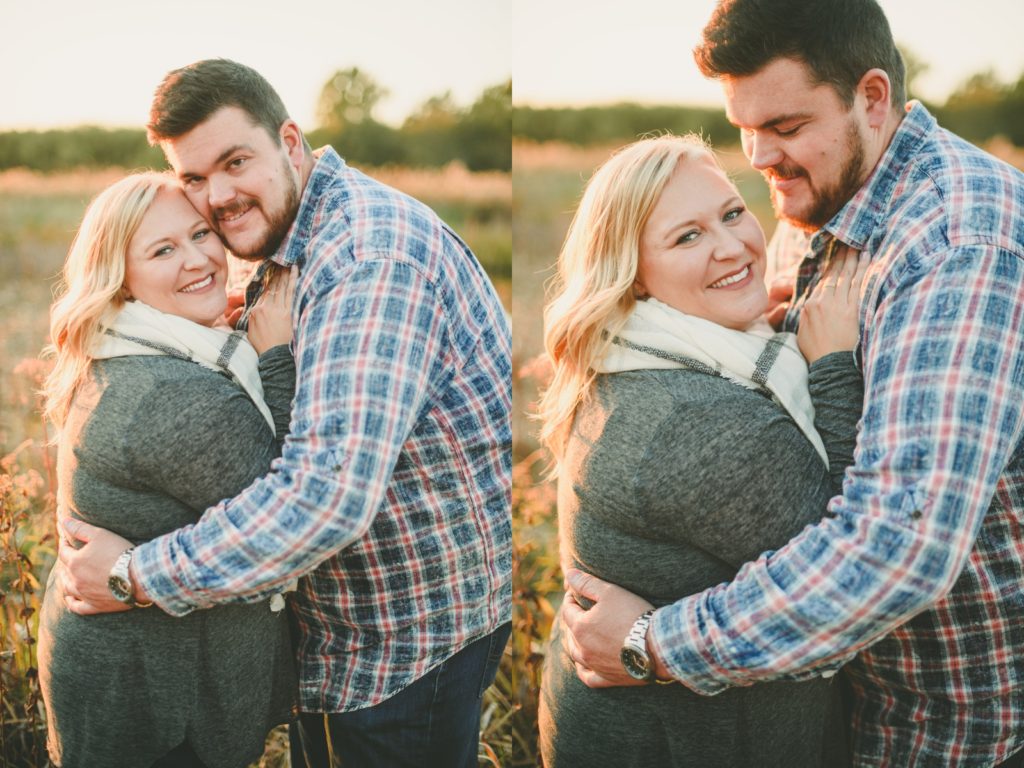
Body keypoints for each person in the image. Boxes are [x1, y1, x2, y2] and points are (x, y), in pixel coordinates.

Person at [561, 1, 1024, 766]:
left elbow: (895, 548)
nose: (761, 156)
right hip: (845, 702)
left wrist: (652, 641)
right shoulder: (819, 200)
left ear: (871, 98)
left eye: (784, 126)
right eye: (745, 128)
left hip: (951, 722)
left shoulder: (956, 249)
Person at [57, 59, 512, 768]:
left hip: (392, 645)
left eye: (236, 161)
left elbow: (324, 497)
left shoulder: (369, 260)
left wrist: (135, 577)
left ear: (290, 144)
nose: (217, 198)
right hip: (360, 629)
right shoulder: (293, 232)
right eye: (195, 178)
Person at [536, 134, 866, 766]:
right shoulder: (694, 420)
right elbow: (853, 557)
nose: (732, 246)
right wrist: (833, 371)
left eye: (732, 212)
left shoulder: (644, 356)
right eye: (686, 237)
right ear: (632, 278)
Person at [38, 172, 297, 768]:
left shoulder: (129, 348)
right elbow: (289, 497)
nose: (199, 259)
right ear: (118, 280)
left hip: (127, 682)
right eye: (162, 250)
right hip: (158, 713)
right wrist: (276, 354)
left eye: (201, 234)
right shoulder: (168, 395)